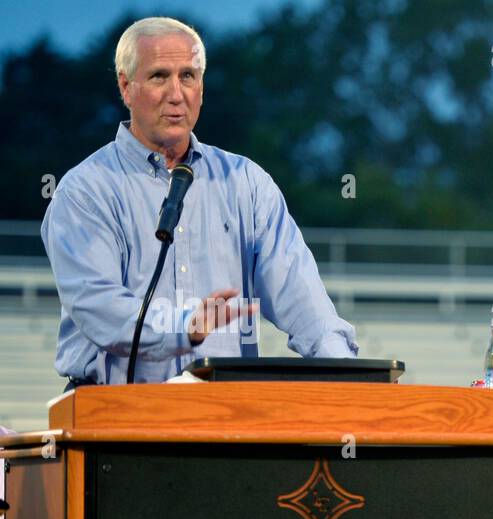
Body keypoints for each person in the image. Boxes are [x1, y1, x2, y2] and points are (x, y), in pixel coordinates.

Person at [41, 16, 357, 387]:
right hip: (111, 419)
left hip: (224, 420)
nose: (177, 94)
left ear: (202, 89)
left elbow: (300, 295)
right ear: (126, 87)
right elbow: (99, 307)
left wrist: (346, 373)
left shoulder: (248, 183)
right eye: (160, 76)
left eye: (188, 76)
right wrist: (184, 326)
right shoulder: (84, 191)